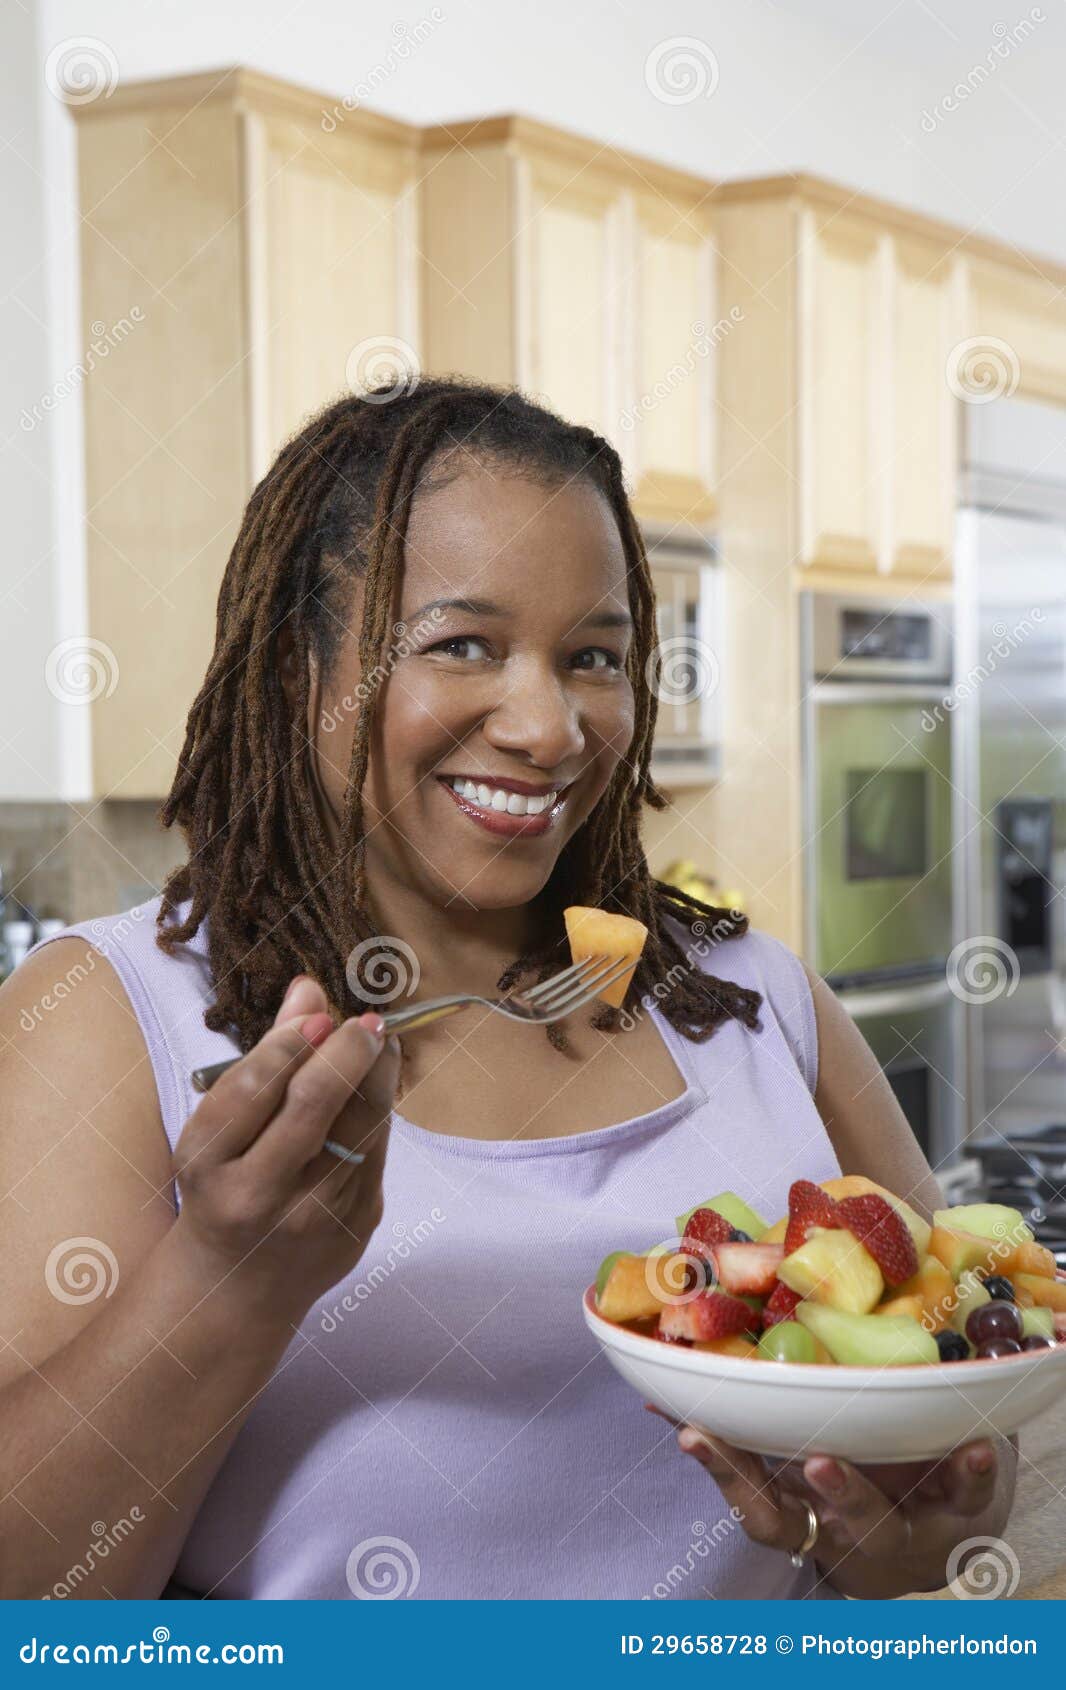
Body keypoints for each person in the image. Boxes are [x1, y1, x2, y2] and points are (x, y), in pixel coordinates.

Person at [0, 379, 1014, 1600]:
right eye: (463, 644)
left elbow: (966, 1408)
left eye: (593, 656)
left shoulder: (758, 1003)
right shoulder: (107, 1018)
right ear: (295, 668)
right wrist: (223, 1282)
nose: (549, 725)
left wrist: (915, 1532)